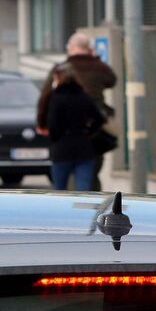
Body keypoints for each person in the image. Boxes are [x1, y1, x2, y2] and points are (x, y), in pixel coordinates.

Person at [36, 32, 117, 190]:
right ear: (89, 49)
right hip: (91, 134)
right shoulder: (100, 68)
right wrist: (95, 58)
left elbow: (44, 97)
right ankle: (91, 203)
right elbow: (111, 81)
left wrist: (43, 125)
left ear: (71, 47)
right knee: (90, 176)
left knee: (62, 183)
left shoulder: (61, 70)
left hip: (62, 140)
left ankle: (72, 203)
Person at [46, 62, 105, 192]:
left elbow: (52, 125)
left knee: (59, 191)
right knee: (83, 190)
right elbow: (99, 119)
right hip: (83, 147)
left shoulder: (57, 98)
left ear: (59, 78)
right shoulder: (84, 96)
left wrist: (57, 139)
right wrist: (88, 132)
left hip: (62, 149)